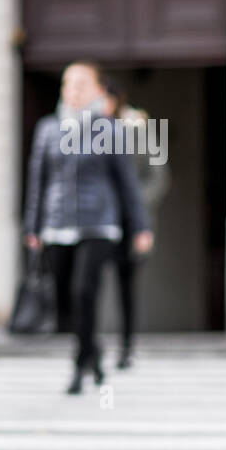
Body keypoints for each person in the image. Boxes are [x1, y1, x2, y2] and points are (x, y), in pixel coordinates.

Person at [23, 61, 152, 394]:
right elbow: (38, 180)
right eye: (68, 83)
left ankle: (80, 365)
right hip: (57, 225)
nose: (74, 89)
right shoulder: (48, 129)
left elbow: (128, 183)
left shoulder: (111, 129)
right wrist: (32, 227)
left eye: (82, 83)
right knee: (66, 298)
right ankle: (93, 351)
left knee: (85, 291)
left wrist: (140, 226)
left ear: (97, 89)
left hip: (99, 224)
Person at [102, 77, 169, 369]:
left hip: (130, 222)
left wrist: (133, 203)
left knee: (126, 285)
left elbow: (160, 176)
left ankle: (126, 346)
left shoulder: (140, 129)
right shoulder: (81, 130)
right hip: (96, 220)